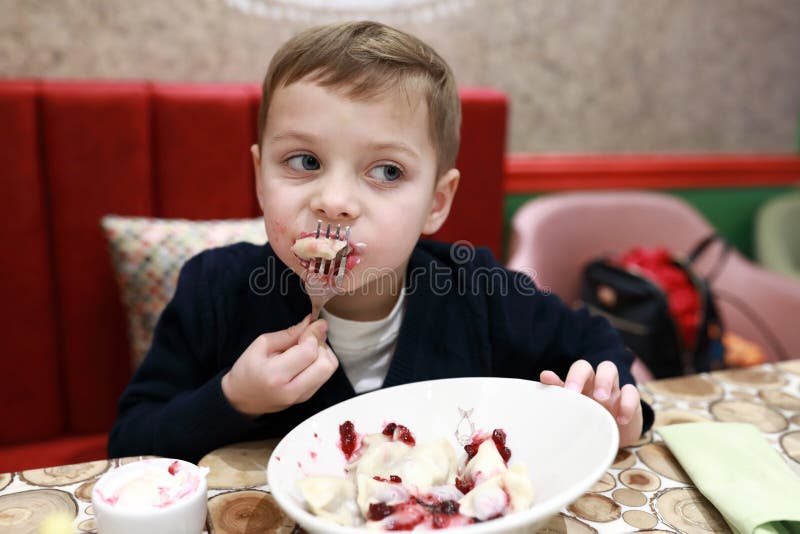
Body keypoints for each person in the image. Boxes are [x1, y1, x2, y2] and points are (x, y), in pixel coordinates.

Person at [108, 20, 653, 462]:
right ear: (259, 175)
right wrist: (232, 398)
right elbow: (129, 442)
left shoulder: (478, 292)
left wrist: (616, 409)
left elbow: (599, 348)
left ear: (437, 202)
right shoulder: (215, 290)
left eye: (387, 172)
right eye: (305, 162)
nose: (336, 200)